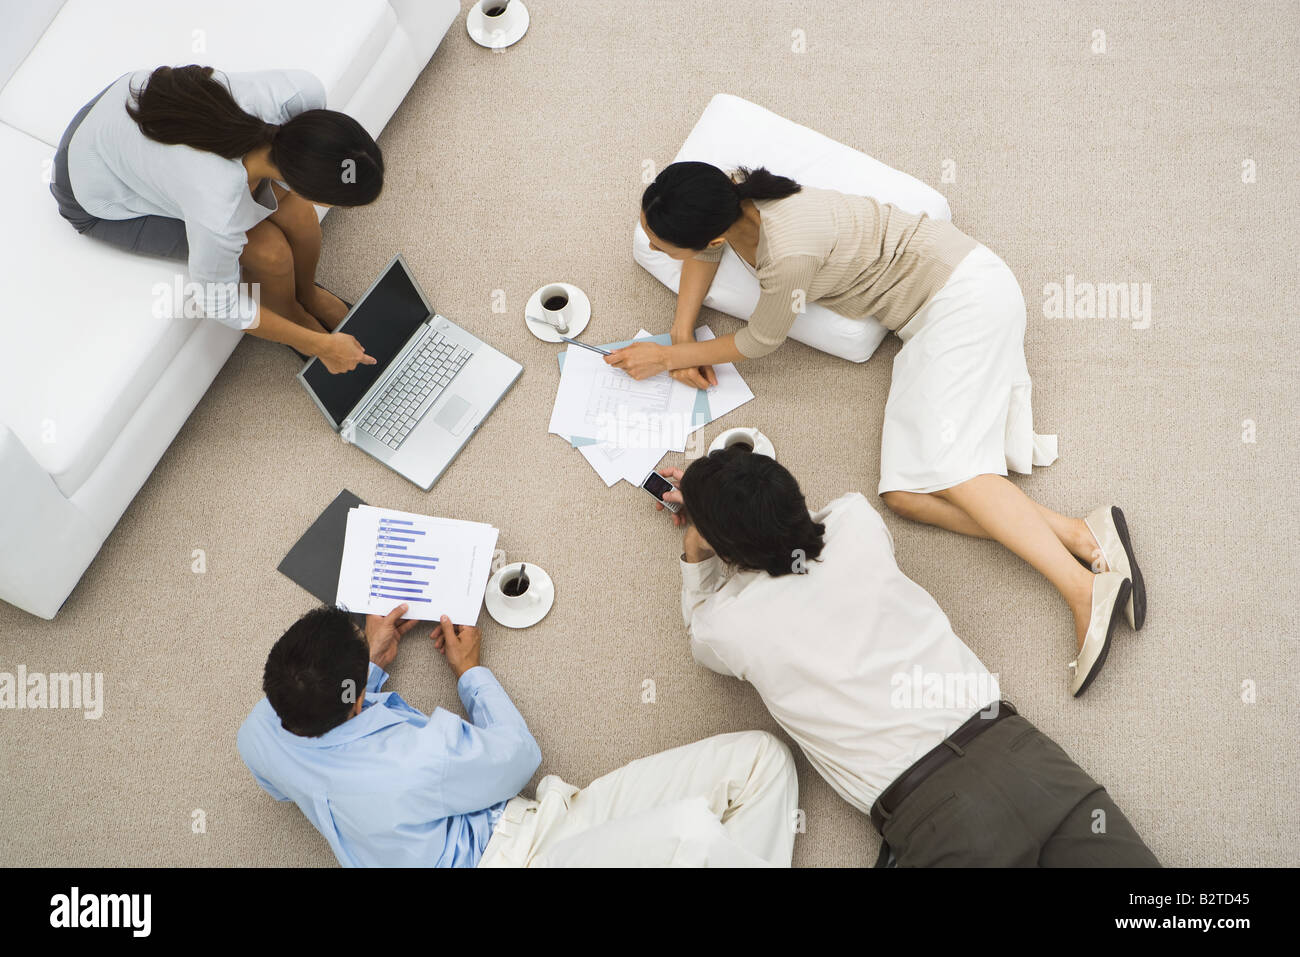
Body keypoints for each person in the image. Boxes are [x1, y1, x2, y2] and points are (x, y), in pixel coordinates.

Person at [614, 161, 1146, 694]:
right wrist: (679, 335)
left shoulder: (788, 254)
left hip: (962, 298)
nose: (654, 250)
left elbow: (760, 341)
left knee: (956, 473)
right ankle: (1079, 532)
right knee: (905, 495)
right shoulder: (725, 196)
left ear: (710, 228)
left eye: (662, 246)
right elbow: (706, 247)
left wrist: (666, 358)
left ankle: (1082, 590)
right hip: (923, 320)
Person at [653, 447, 1159, 866]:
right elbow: (801, 531)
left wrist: (698, 544)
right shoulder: (855, 520)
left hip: (933, 817)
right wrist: (732, 493)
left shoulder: (730, 625)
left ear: (727, 550)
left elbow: (699, 624)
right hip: (1027, 759)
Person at [237, 603, 799, 867]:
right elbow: (516, 757)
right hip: (516, 862)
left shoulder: (260, 732)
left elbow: (297, 773)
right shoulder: (417, 758)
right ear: (354, 697)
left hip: (545, 827)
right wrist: (470, 672)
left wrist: (370, 667)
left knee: (762, 759)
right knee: (693, 836)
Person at [50, 64, 382, 373]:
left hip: (123, 106)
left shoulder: (301, 95)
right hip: (90, 186)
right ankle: (293, 315)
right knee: (269, 252)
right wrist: (320, 344)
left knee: (299, 216)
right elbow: (218, 302)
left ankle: (307, 293)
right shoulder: (217, 204)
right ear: (305, 184)